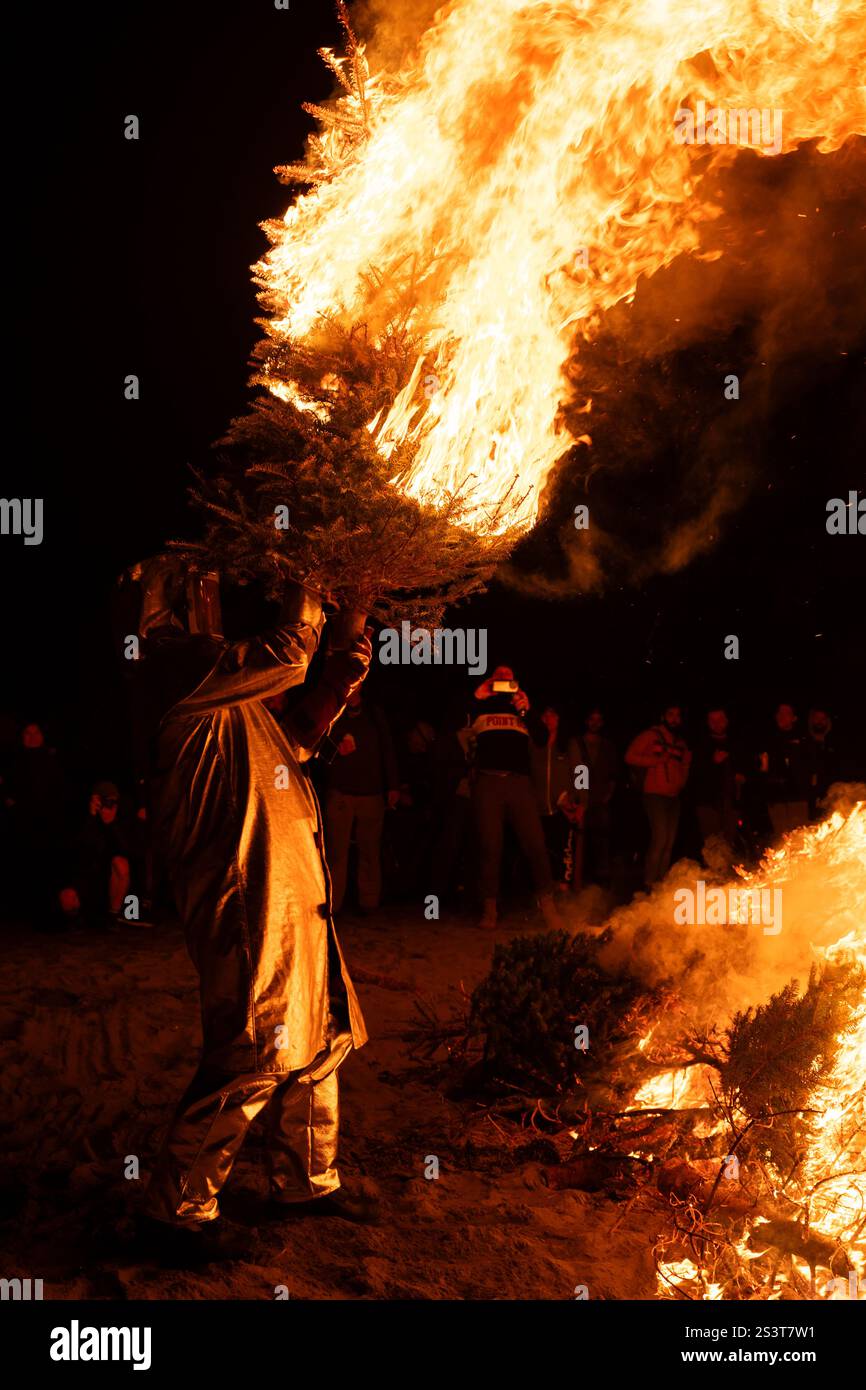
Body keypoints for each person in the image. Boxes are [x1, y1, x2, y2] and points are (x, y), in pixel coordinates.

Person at [123, 555, 376, 1265]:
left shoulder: (227, 696)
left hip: (290, 880)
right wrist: (319, 575)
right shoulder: (170, 670)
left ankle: (307, 1180)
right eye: (196, 590)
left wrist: (337, 680)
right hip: (243, 887)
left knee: (320, 1032)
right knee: (255, 1042)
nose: (211, 599)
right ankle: (175, 1209)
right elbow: (287, 654)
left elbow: (290, 743)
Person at [470, 665, 562, 930]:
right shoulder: (481, 708)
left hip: (519, 785)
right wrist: (478, 695)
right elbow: (456, 722)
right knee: (490, 847)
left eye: (508, 677)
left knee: (535, 845)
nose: (503, 680)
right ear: (491, 680)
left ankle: (548, 907)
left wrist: (528, 709)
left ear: (515, 682)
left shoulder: (522, 710)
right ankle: (489, 909)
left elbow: (543, 739)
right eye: (498, 677)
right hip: (488, 782)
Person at [324, 690, 400, 914]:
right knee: (336, 852)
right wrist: (336, 750)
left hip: (371, 793)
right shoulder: (331, 712)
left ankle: (369, 902)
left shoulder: (374, 715)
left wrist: (393, 785)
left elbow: (387, 748)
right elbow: (315, 747)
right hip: (341, 793)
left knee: (369, 850)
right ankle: (333, 903)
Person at [625, 704, 691, 887]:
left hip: (673, 797)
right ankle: (649, 882)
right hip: (654, 794)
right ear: (663, 716)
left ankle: (661, 883)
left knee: (669, 841)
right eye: (671, 714)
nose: (674, 719)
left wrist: (681, 781)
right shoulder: (650, 735)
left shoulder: (681, 742)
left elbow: (685, 763)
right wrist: (655, 761)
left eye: (678, 715)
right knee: (660, 837)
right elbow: (629, 756)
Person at [56, 780, 132, 928]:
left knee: (121, 864)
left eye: (113, 801)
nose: (109, 805)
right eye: (106, 801)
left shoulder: (121, 816)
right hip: (84, 875)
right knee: (67, 898)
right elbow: (80, 850)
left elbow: (127, 850)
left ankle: (112, 917)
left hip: (107, 878)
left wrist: (111, 825)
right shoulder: (81, 816)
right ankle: (76, 920)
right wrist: (91, 817)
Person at [529, 704, 586, 892]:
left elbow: (580, 772)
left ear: (559, 719)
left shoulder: (568, 744)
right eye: (544, 714)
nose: (548, 718)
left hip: (562, 808)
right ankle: (542, 894)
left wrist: (581, 802)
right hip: (536, 809)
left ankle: (564, 893)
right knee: (540, 852)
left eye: (552, 714)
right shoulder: (532, 743)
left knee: (564, 851)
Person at [691, 708, 745, 848]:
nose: (716, 724)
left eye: (720, 720)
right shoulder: (700, 744)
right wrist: (712, 763)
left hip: (732, 801)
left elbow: (747, 766)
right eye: (712, 721)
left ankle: (728, 868)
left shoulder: (736, 742)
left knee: (729, 841)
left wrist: (741, 776)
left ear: (726, 721)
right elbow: (693, 773)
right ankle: (713, 869)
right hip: (708, 803)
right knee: (713, 842)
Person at [759, 702, 809, 838]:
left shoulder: (804, 738)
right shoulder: (767, 739)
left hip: (798, 796)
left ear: (794, 717)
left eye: (787, 713)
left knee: (799, 834)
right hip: (776, 797)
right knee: (781, 836)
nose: (782, 717)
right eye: (780, 713)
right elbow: (762, 768)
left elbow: (809, 766)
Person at [581, 708, 617, 887]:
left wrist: (608, 795)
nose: (594, 723)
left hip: (601, 799)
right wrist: (580, 795)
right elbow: (576, 768)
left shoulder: (607, 746)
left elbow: (612, 774)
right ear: (587, 721)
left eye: (598, 720)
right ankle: (580, 876)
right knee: (580, 838)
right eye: (591, 719)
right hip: (582, 799)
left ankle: (602, 877)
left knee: (602, 837)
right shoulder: (578, 744)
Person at [804, 707, 837, 820]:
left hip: (831, 791)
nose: (819, 722)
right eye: (817, 718)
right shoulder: (804, 741)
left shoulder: (834, 740)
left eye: (823, 719)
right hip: (807, 793)